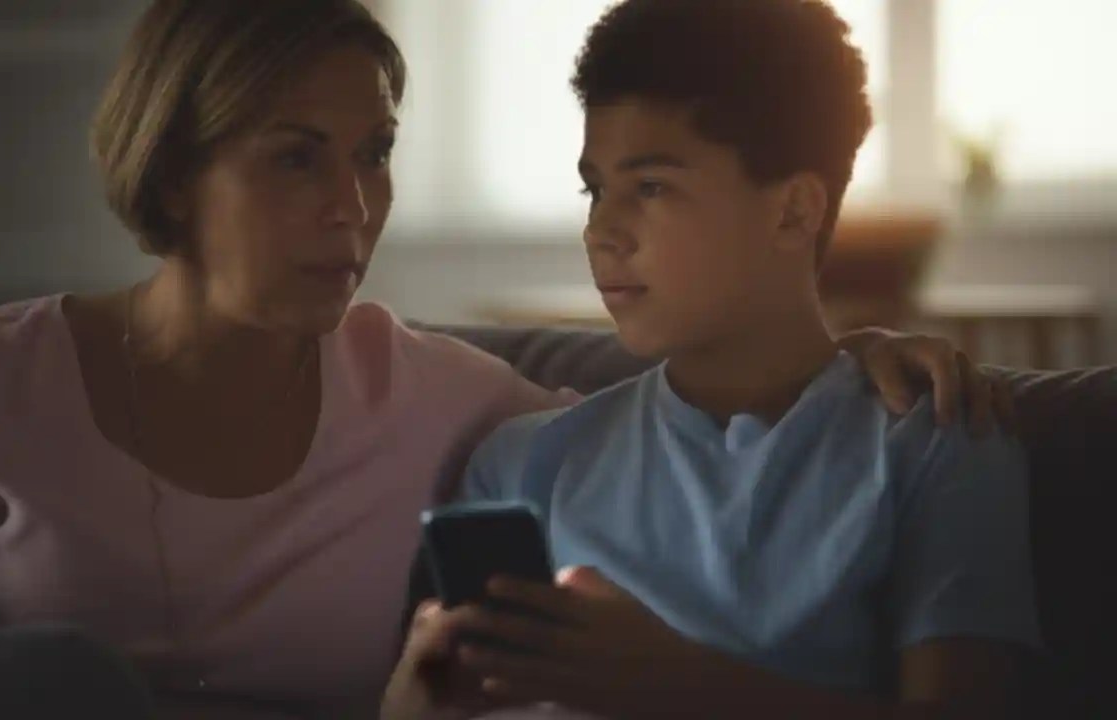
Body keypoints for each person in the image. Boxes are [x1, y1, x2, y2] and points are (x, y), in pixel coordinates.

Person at [0, 1, 1008, 718]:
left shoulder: (454, 412)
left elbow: (724, 386)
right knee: (53, 684)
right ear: (176, 167)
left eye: (374, 155)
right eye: (296, 158)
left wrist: (855, 349)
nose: (354, 207)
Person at [385, 1, 1039, 718]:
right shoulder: (525, 464)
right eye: (594, 189)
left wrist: (678, 684)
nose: (602, 231)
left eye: (652, 187)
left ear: (793, 212)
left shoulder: (934, 439)